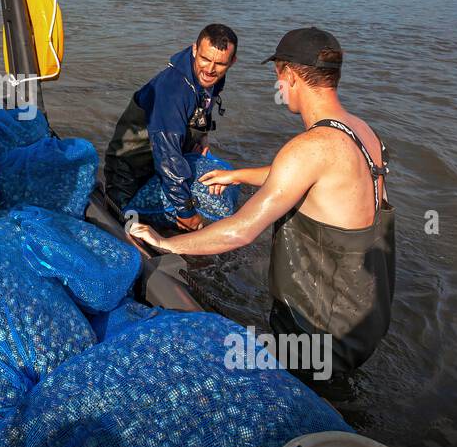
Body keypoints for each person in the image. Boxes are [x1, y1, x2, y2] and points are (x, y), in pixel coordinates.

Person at [128, 27, 394, 374]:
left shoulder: (309, 148)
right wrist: (237, 175)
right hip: (368, 316)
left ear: (291, 75)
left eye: (278, 80)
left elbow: (240, 232)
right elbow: (319, 180)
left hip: (318, 329)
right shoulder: (360, 131)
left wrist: (167, 242)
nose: (279, 89)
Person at [103, 24, 237, 230]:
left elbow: (204, 104)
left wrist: (201, 136)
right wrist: (187, 212)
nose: (210, 69)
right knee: (129, 230)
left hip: (165, 164)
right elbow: (168, 158)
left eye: (219, 63)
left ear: (232, 62)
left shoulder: (211, 78)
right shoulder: (172, 91)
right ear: (194, 50)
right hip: (130, 174)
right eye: (205, 59)